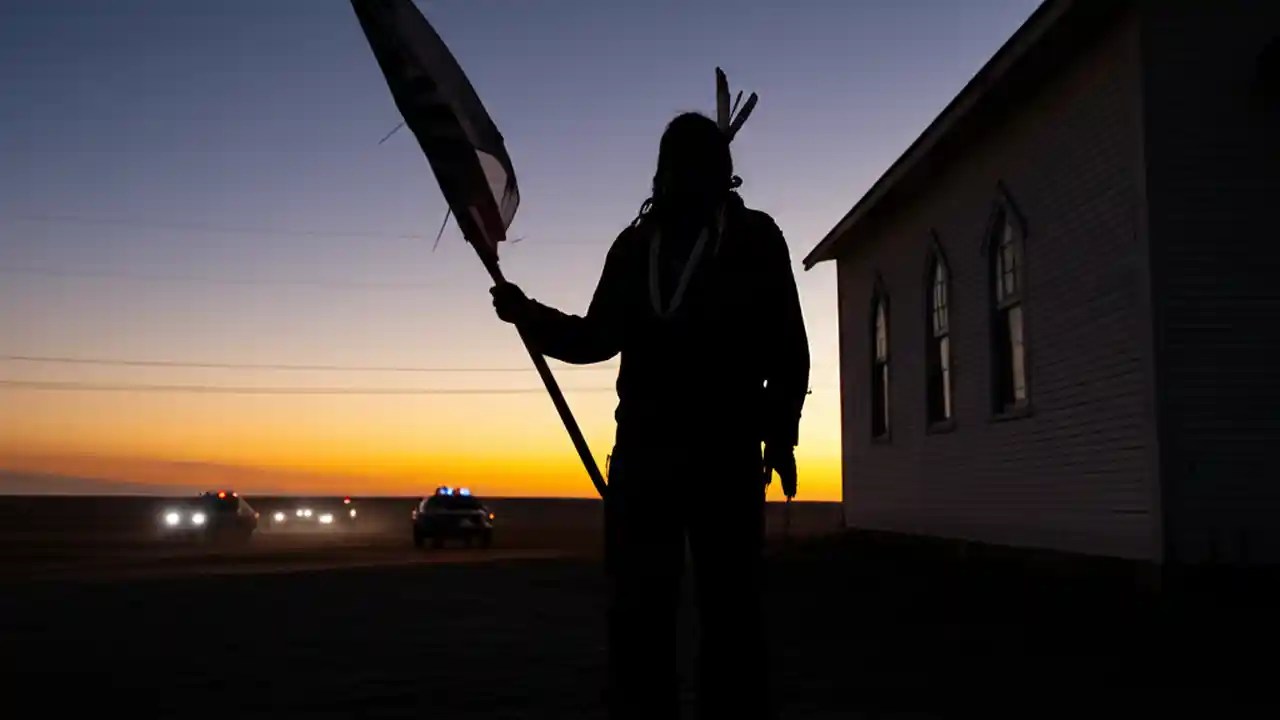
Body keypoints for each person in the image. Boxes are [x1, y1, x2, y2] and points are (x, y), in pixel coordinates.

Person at [491, 111, 809, 720]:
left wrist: (781, 436)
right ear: (661, 174)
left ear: (723, 175)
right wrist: (525, 312)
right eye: (674, 166)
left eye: (698, 166)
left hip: (727, 461)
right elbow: (594, 338)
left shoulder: (755, 239)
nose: (683, 179)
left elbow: (788, 350)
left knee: (733, 616)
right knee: (639, 617)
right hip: (645, 463)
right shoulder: (636, 247)